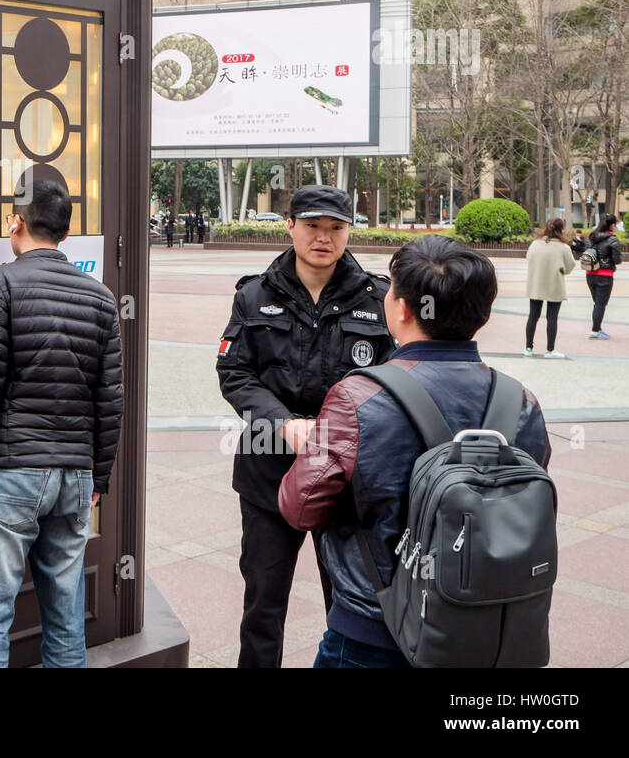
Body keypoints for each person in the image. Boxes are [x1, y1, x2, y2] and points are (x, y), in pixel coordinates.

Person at [279, 235, 551, 667]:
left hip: (376, 628)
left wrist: (308, 445)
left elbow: (301, 509)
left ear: (402, 308)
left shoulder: (357, 397)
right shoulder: (521, 402)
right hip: (489, 629)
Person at [216, 184, 395, 668]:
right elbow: (235, 373)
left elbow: (395, 379)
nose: (324, 238)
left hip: (346, 481)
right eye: (313, 226)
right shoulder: (254, 296)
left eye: (335, 228)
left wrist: (343, 429)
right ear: (290, 225)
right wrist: (283, 424)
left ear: (347, 232)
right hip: (269, 476)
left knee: (352, 604)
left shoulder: (377, 298)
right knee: (263, 604)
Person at [0, 180, 123, 667]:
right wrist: (98, 478)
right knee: (66, 626)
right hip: (74, 477)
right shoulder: (102, 298)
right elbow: (110, 400)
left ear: (15, 223)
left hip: (10, 473)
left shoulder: (0, 283)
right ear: (66, 234)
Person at [524, 217, 577, 358]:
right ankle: (550, 350)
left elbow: (528, 258)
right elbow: (570, 265)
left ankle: (528, 348)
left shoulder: (535, 244)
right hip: (555, 284)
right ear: (561, 230)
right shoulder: (563, 247)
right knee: (552, 318)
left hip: (536, 284)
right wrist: (561, 271)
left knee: (533, 316)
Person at [585, 212, 622, 340]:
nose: (616, 226)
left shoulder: (592, 237)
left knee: (597, 303)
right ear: (611, 225)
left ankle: (598, 328)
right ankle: (595, 331)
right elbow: (617, 260)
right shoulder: (613, 239)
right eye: (615, 224)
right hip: (605, 276)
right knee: (600, 304)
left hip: (590, 274)